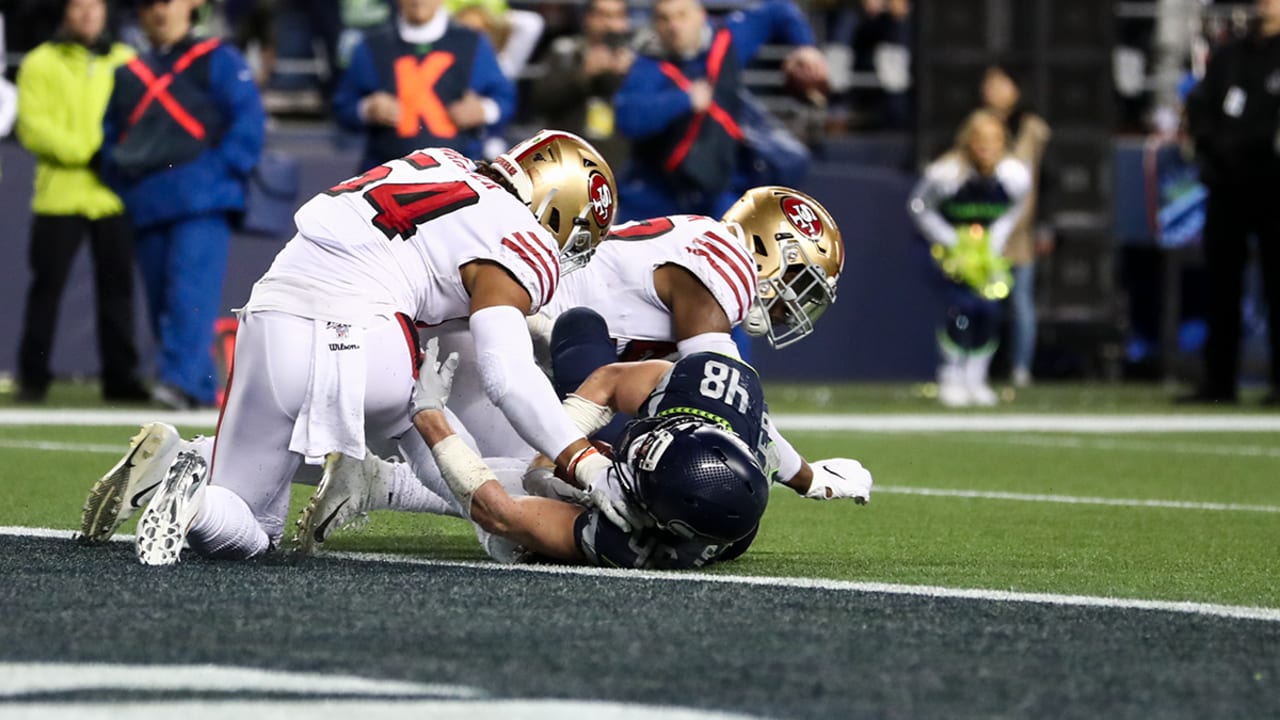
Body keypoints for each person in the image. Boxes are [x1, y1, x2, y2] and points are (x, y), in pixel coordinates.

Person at [79, 130, 620, 567]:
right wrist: (585, 461)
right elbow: (508, 375)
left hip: (269, 317)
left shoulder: (439, 161)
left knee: (246, 520)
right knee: (436, 435)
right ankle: (384, 486)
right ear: (560, 209)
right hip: (366, 340)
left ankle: (188, 483)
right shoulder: (521, 240)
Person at [292, 188, 869, 551]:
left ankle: (331, 477)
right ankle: (369, 482)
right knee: (619, 484)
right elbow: (731, 409)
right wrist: (806, 476)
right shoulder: (723, 263)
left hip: (514, 339)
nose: (793, 299)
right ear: (769, 248)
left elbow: (728, 408)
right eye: (797, 279)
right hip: (508, 341)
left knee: (352, 433)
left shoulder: (700, 246)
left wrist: (801, 472)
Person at [312, 339, 870, 568]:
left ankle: (381, 483)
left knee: (521, 508)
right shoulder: (720, 394)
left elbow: (496, 511)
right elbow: (766, 440)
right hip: (700, 462)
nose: (635, 449)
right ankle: (374, 479)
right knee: (554, 455)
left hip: (563, 525)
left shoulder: (636, 541)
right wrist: (813, 479)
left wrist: (429, 417)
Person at [100, 0, 266, 410]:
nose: (159, 11)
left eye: (168, 2)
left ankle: (180, 382)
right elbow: (109, 138)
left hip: (200, 199)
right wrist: (125, 184)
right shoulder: (128, 73)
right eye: (150, 4)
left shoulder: (219, 59)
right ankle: (194, 386)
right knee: (161, 299)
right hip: (150, 200)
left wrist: (217, 175)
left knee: (188, 295)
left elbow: (248, 123)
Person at [13, 0, 148, 404]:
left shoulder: (128, 61)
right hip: (60, 197)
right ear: (65, 13)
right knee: (46, 291)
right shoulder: (39, 63)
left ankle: (120, 379)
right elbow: (33, 126)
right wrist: (91, 153)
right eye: (79, 7)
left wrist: (109, 156)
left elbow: (141, 118)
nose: (88, 14)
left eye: (95, 6)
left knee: (118, 292)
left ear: (106, 12)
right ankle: (33, 378)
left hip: (111, 197)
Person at [612, 0, 827, 222]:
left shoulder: (724, 40)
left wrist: (805, 47)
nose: (674, 25)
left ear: (700, 15)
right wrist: (684, 99)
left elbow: (778, 9)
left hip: (719, 187)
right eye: (665, 18)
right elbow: (627, 118)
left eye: (682, 15)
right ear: (655, 25)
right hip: (661, 189)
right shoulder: (648, 64)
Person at [1181, 0, 1280, 405]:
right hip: (1228, 185)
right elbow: (1201, 104)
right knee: (1221, 286)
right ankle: (1218, 381)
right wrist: (1213, 148)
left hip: (1275, 186)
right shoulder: (1228, 54)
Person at [908, 110, 1031, 407]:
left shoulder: (1014, 176)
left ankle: (977, 377)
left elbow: (1017, 207)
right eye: (980, 140)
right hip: (952, 255)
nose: (986, 147)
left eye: (994, 140)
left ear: (1004, 142)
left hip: (988, 257)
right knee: (959, 311)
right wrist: (951, 240)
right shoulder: (947, 175)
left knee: (988, 313)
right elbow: (918, 206)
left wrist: (996, 239)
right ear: (968, 142)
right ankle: (951, 375)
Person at [333, 0, 515, 171]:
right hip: (386, 174)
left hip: (460, 174)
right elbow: (342, 106)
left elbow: (505, 98)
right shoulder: (371, 45)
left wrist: (483, 110)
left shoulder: (472, 43)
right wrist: (368, 109)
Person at [979, 64, 1052, 388]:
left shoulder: (1033, 128)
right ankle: (980, 366)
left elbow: (1048, 180)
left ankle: (1021, 368)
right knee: (985, 301)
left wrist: (1046, 225)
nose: (992, 90)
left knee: (1021, 301)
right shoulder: (980, 126)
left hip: (1021, 230)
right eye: (988, 83)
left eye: (1000, 83)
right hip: (985, 230)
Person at [531, 0, 634, 170]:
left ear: (625, 22)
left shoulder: (638, 61)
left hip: (620, 165)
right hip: (567, 160)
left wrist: (629, 77)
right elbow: (541, 99)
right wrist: (583, 74)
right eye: (602, 15)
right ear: (588, 18)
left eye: (616, 16)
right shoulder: (565, 51)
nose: (608, 23)